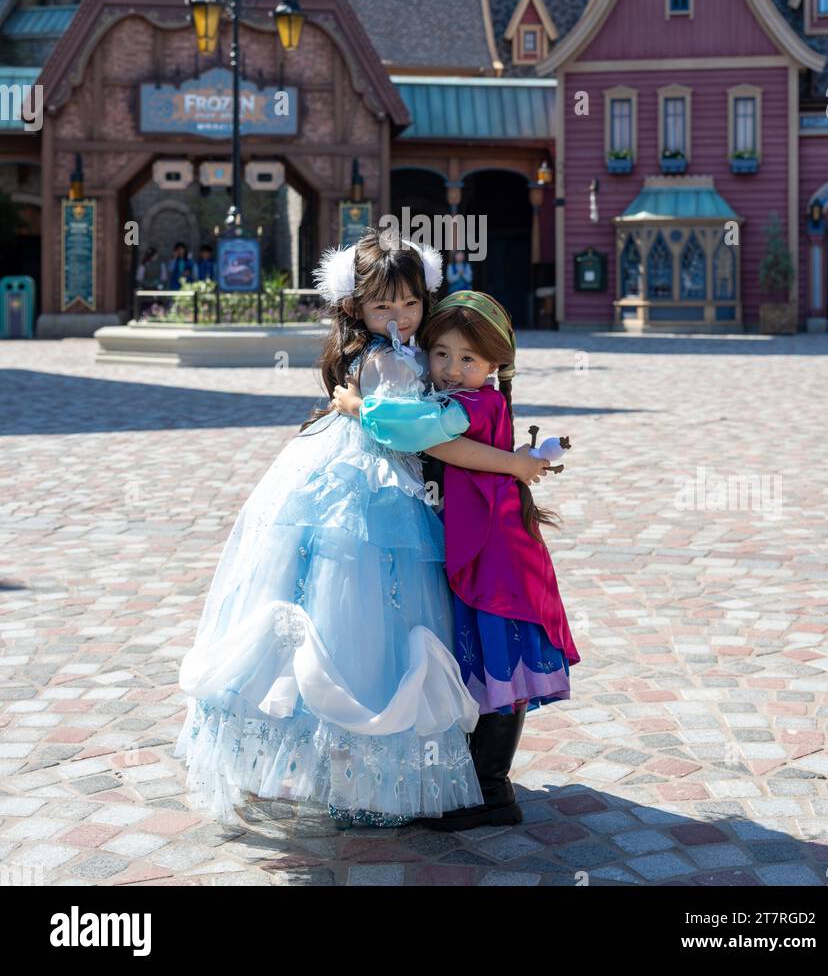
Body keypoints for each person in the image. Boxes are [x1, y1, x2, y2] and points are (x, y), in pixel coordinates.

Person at [173, 229, 549, 828]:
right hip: (370, 487)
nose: (399, 316)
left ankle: (397, 765)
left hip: (374, 479)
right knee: (362, 610)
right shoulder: (386, 359)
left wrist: (356, 405)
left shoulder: (399, 356)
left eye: (410, 304)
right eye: (383, 305)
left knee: (361, 616)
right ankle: (380, 762)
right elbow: (415, 432)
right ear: (355, 306)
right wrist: (361, 409)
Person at [334, 288, 580, 830]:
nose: (450, 368)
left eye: (468, 358)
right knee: (488, 664)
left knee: (499, 666)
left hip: (495, 556)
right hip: (489, 548)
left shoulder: (470, 404)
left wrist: (356, 406)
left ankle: (491, 791)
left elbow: (419, 434)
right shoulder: (473, 400)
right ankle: (479, 783)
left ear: (494, 365)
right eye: (440, 353)